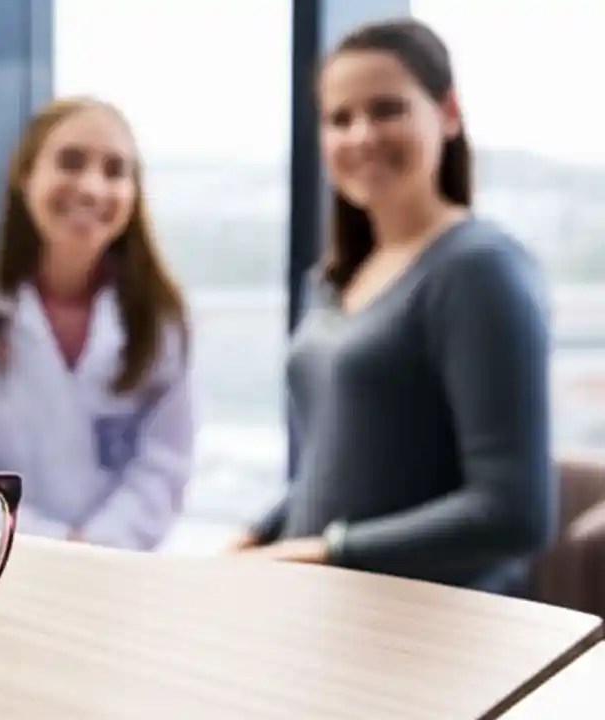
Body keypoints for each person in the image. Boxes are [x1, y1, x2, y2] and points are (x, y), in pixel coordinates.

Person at [230, 18, 555, 594]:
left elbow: (514, 512)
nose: (362, 135)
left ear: (448, 113)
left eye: (387, 110)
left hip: (428, 638)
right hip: (329, 613)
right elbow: (335, 468)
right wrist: (261, 536)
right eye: (340, 119)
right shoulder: (332, 280)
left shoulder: (478, 270)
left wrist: (329, 553)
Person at [0, 96, 196, 552]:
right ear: (26, 177)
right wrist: (56, 547)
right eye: (70, 162)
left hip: (122, 572)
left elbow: (163, 470)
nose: (91, 187)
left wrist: (94, 549)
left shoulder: (163, 322)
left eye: (115, 171)